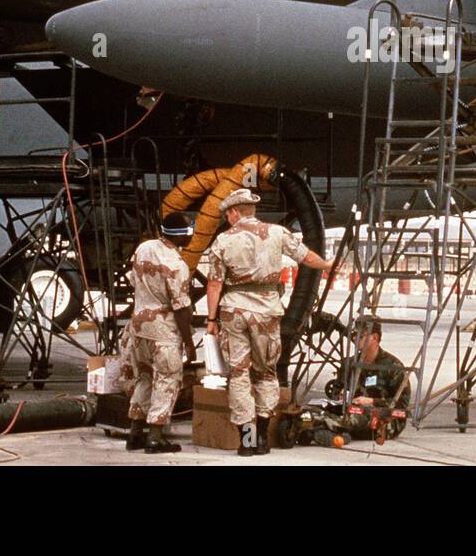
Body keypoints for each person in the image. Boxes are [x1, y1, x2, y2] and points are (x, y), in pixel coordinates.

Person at [204, 188, 333, 456]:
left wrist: (211, 319)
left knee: (239, 374)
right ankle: (262, 437)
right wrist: (327, 265)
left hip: (235, 311)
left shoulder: (223, 241)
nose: (227, 218)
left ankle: (247, 442)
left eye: (228, 213)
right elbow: (306, 257)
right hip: (267, 312)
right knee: (266, 373)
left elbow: (215, 284)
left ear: (236, 212)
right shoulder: (278, 233)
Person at [123, 211, 196, 454]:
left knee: (143, 378)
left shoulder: (144, 248)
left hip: (139, 329)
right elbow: (181, 308)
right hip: (164, 332)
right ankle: (155, 436)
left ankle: (135, 434)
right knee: (167, 381)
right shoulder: (177, 265)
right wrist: (189, 342)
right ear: (182, 235)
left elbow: (135, 280)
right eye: (189, 230)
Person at [337, 316, 412, 440]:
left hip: (385, 418)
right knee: (313, 413)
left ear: (375, 338)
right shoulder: (350, 363)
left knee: (352, 419)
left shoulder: (393, 367)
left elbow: (401, 404)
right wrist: (340, 395)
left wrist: (372, 401)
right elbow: (336, 388)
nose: (355, 339)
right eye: (354, 335)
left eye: (361, 336)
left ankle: (334, 429)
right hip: (352, 410)